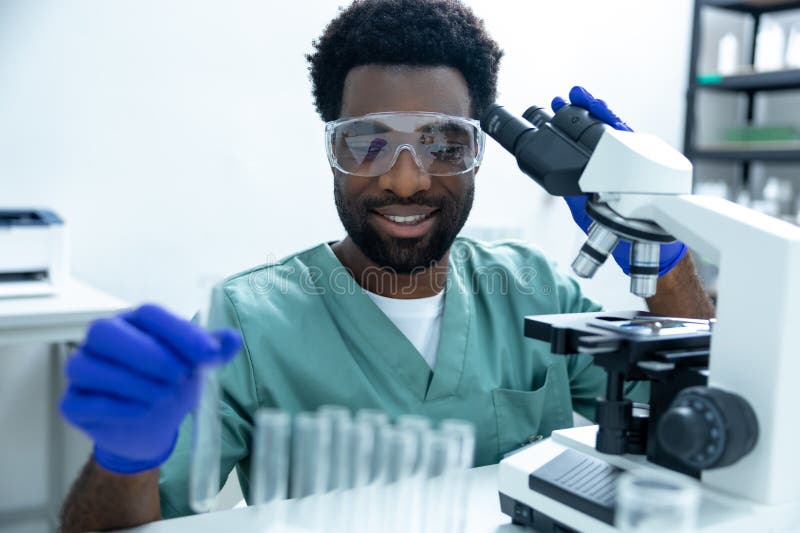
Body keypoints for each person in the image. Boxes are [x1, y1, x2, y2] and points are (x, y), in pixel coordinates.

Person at [58, 0, 715, 530]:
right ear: (331, 150)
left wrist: (663, 259)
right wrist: (124, 459)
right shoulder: (249, 321)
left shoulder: (532, 288)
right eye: (367, 142)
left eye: (442, 143)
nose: (405, 181)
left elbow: (700, 418)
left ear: (480, 153)